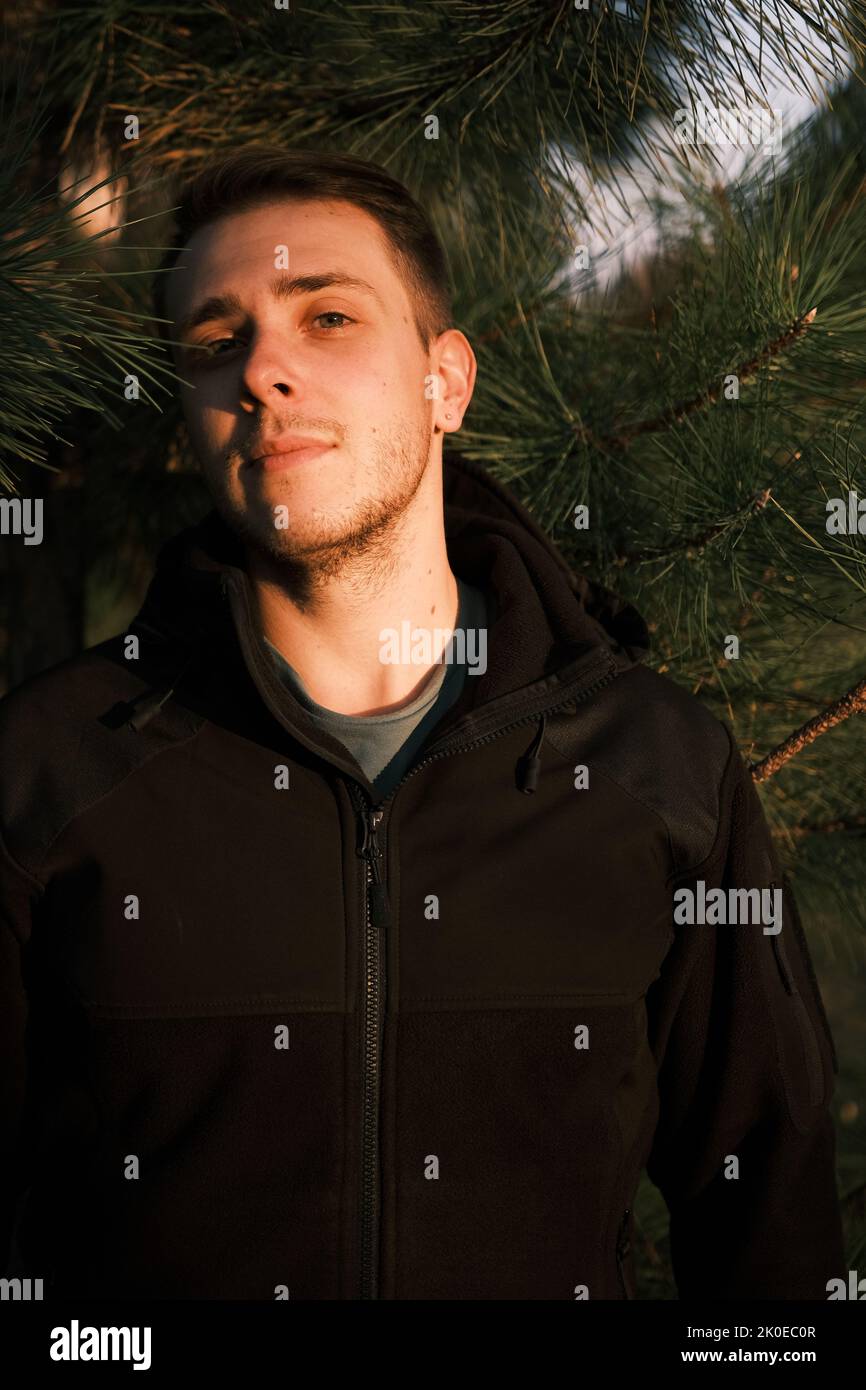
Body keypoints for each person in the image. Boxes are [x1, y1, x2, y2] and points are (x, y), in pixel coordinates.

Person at [0, 146, 845, 1300]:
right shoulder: (47, 771)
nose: (263, 372)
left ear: (445, 381)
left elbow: (767, 1227)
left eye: (329, 317)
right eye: (214, 343)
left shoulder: (654, 766)